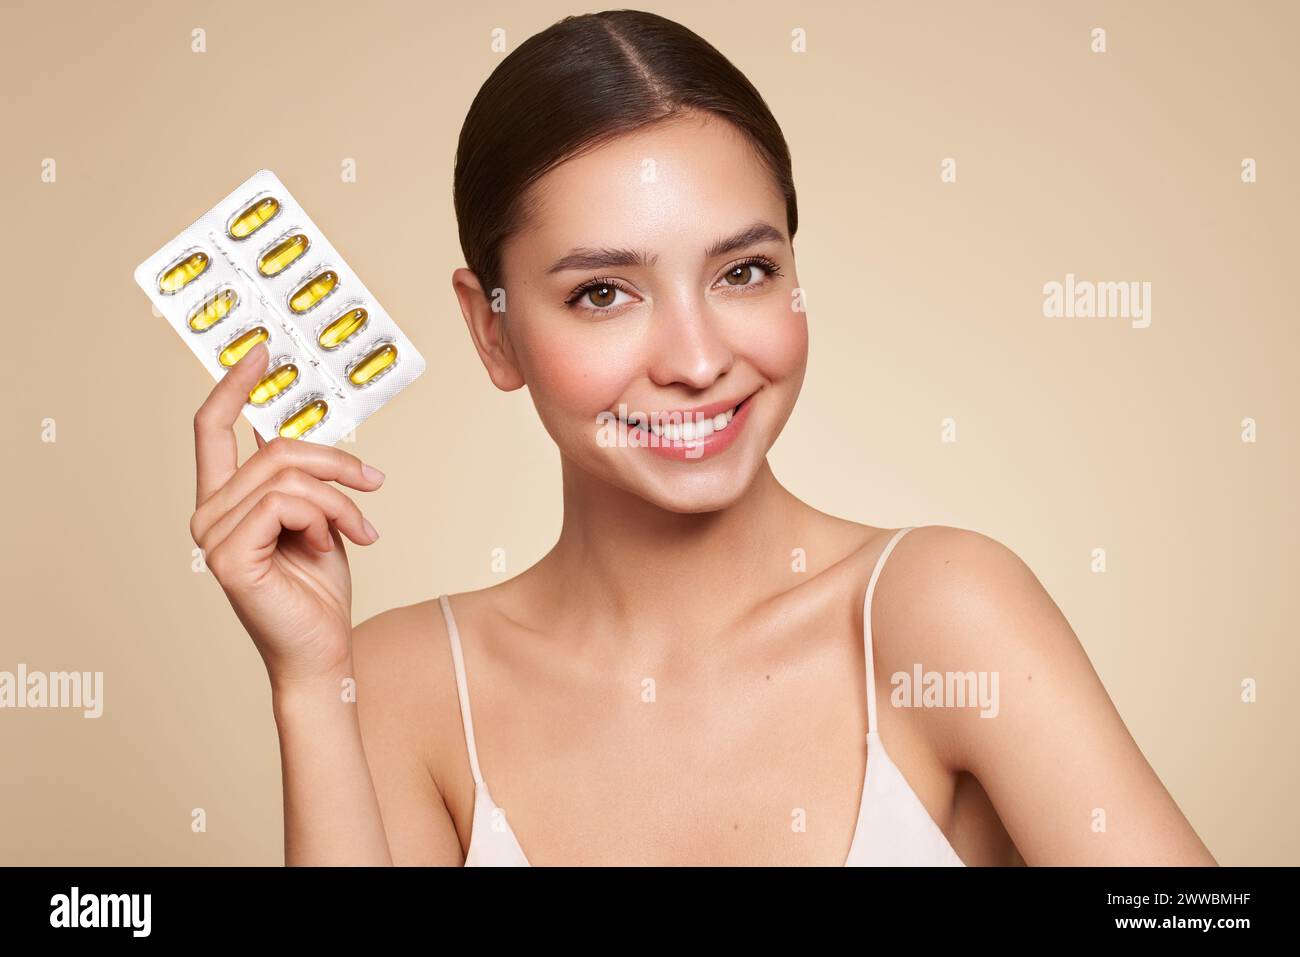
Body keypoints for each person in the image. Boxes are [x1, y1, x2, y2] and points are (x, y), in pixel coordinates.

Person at [187, 9, 1217, 866]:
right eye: (602, 292)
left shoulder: (937, 612)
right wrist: (313, 688)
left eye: (743, 272)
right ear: (492, 328)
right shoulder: (402, 684)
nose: (693, 357)